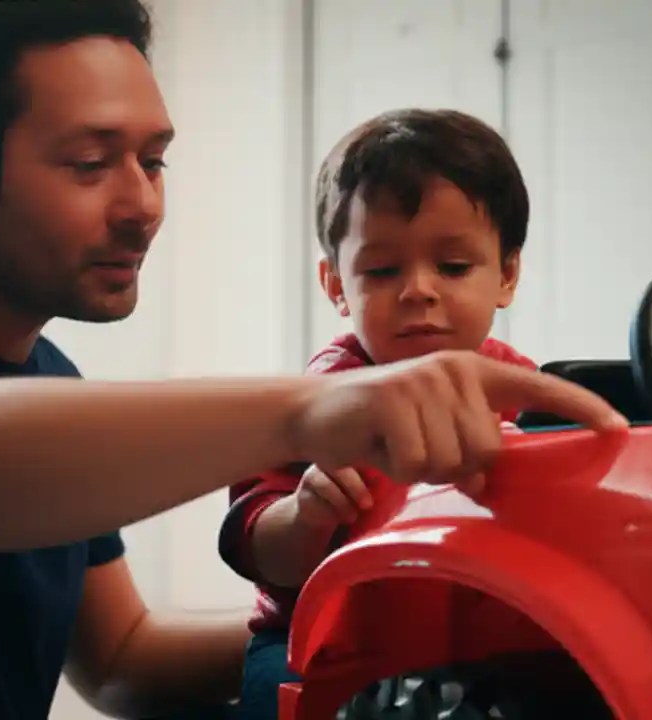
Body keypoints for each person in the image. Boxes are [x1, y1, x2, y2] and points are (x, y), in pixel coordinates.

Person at [0, 1, 625, 718]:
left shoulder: (49, 385)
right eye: (89, 163)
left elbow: (118, 661)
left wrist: (373, 635)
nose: (141, 203)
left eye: (151, 160)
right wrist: (312, 410)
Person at [220, 108, 541, 719]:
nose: (418, 289)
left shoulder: (521, 389)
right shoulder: (314, 406)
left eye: (452, 267)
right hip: (316, 646)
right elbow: (255, 548)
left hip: (472, 648)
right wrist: (306, 515)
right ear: (336, 284)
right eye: (382, 269)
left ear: (506, 274)